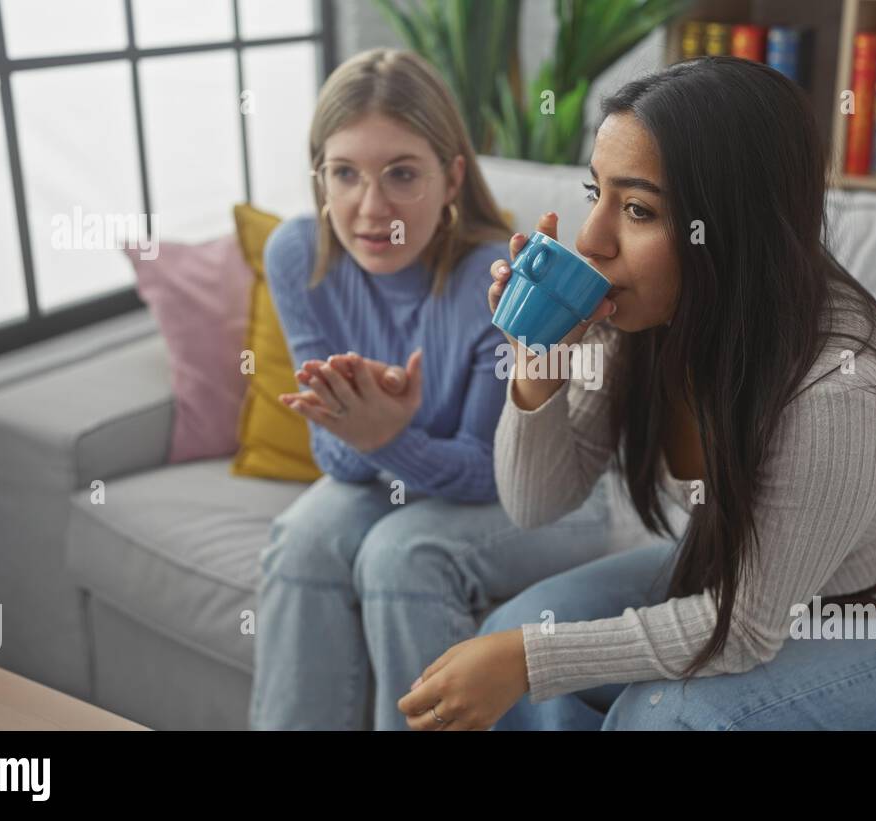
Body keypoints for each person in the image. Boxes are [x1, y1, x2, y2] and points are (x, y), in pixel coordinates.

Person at [396, 55, 876, 731]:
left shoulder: (840, 391)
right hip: (746, 579)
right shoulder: (641, 321)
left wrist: (531, 659)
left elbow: (745, 628)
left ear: (729, 228)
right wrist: (539, 358)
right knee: (518, 623)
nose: (592, 239)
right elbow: (534, 502)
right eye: (596, 194)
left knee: (660, 716)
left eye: (637, 209)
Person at [249, 48, 616, 731]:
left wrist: (385, 433)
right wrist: (378, 433)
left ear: (451, 179)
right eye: (345, 174)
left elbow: (493, 473)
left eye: (402, 174)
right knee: (301, 537)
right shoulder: (297, 255)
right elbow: (334, 457)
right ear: (320, 180)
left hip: (543, 493)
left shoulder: (492, 279)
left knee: (399, 554)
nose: (371, 207)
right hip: (405, 471)